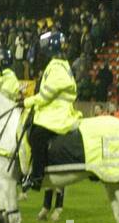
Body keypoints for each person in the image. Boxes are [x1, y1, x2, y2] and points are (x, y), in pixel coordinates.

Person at [21, 43, 78, 191]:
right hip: (54, 110)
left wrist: (26, 102)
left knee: (37, 135)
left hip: (57, 113)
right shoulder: (59, 65)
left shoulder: (57, 67)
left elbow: (46, 95)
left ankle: (37, 176)